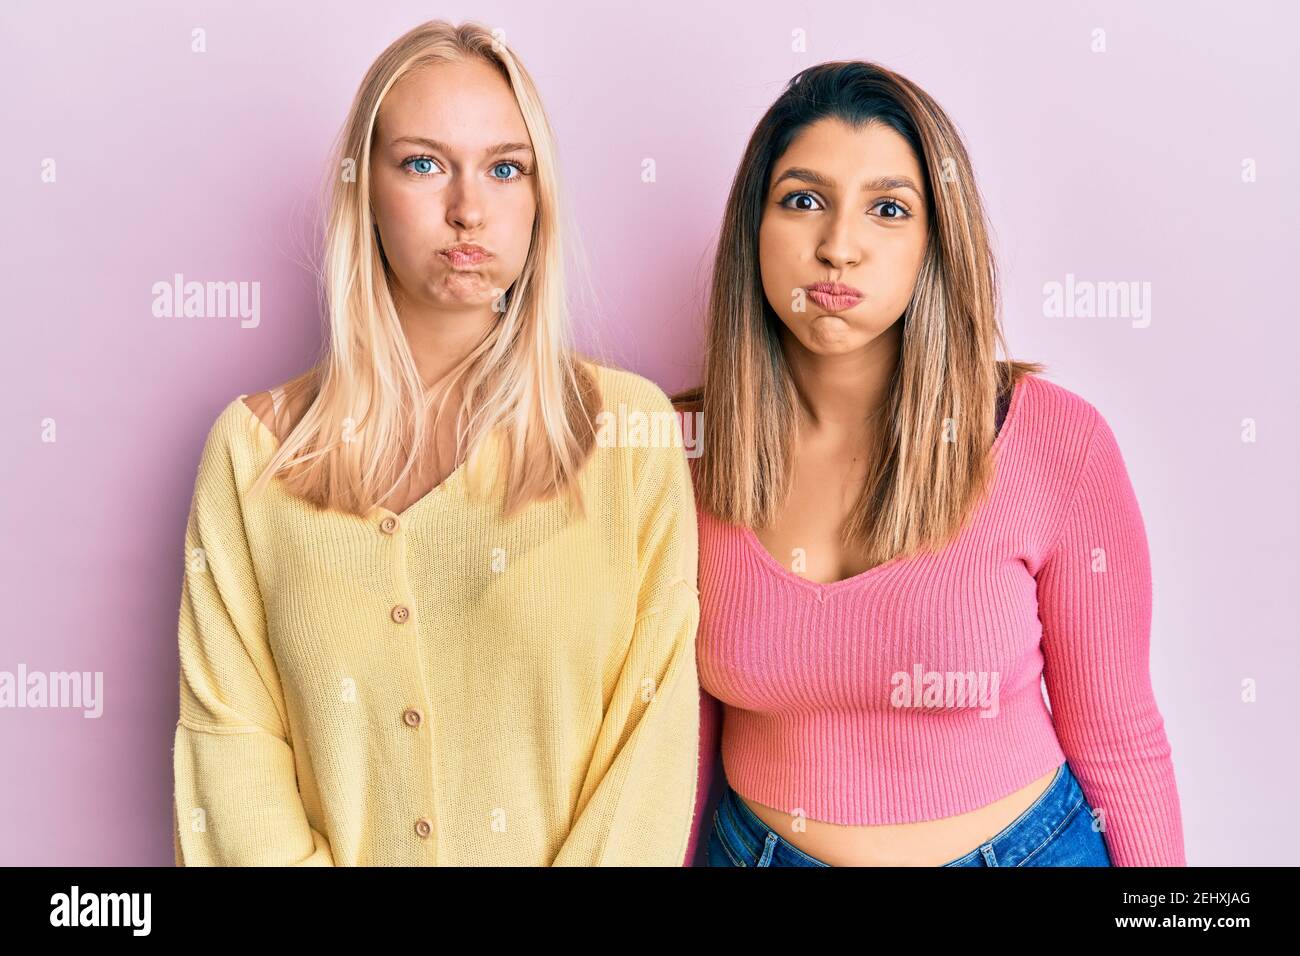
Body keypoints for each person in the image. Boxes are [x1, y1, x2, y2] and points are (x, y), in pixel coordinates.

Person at [172, 19, 700, 866]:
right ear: (364, 192)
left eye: (505, 167)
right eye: (423, 163)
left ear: (539, 197)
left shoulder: (627, 437)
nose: (468, 208)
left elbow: (652, 748)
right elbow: (229, 755)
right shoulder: (251, 457)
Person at [676, 60, 1185, 867]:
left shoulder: (1054, 444)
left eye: (887, 209)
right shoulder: (676, 457)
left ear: (934, 241)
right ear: (755, 229)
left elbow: (1119, 739)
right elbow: (678, 750)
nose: (838, 247)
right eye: (802, 200)